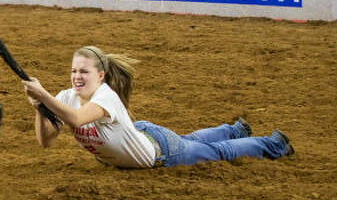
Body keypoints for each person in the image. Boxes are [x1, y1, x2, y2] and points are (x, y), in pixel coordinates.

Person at [21, 46, 294, 169]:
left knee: (217, 152)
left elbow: (77, 119)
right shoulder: (65, 97)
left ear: (100, 76)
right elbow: (46, 141)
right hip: (142, 137)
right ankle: (234, 130)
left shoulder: (105, 97)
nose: (77, 77)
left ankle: (274, 145)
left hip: (160, 152)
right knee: (190, 141)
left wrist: (43, 95)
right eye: (73, 71)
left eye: (84, 71)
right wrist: (39, 108)